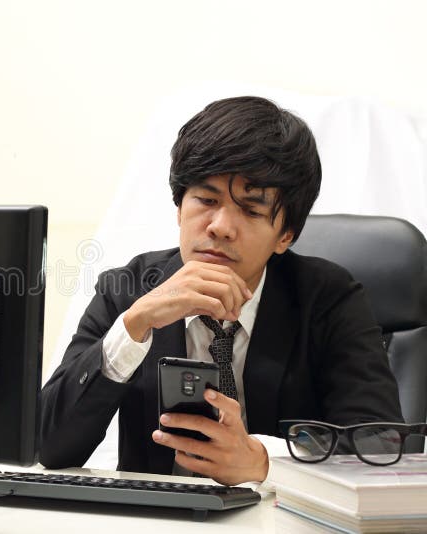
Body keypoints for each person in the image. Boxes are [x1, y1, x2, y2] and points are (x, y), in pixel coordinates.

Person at [39, 96, 403, 485]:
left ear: (285, 235)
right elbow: (51, 446)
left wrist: (265, 463)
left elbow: (381, 446)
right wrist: (134, 327)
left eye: (250, 210)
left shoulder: (330, 299)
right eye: (206, 200)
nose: (220, 226)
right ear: (179, 208)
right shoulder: (127, 290)